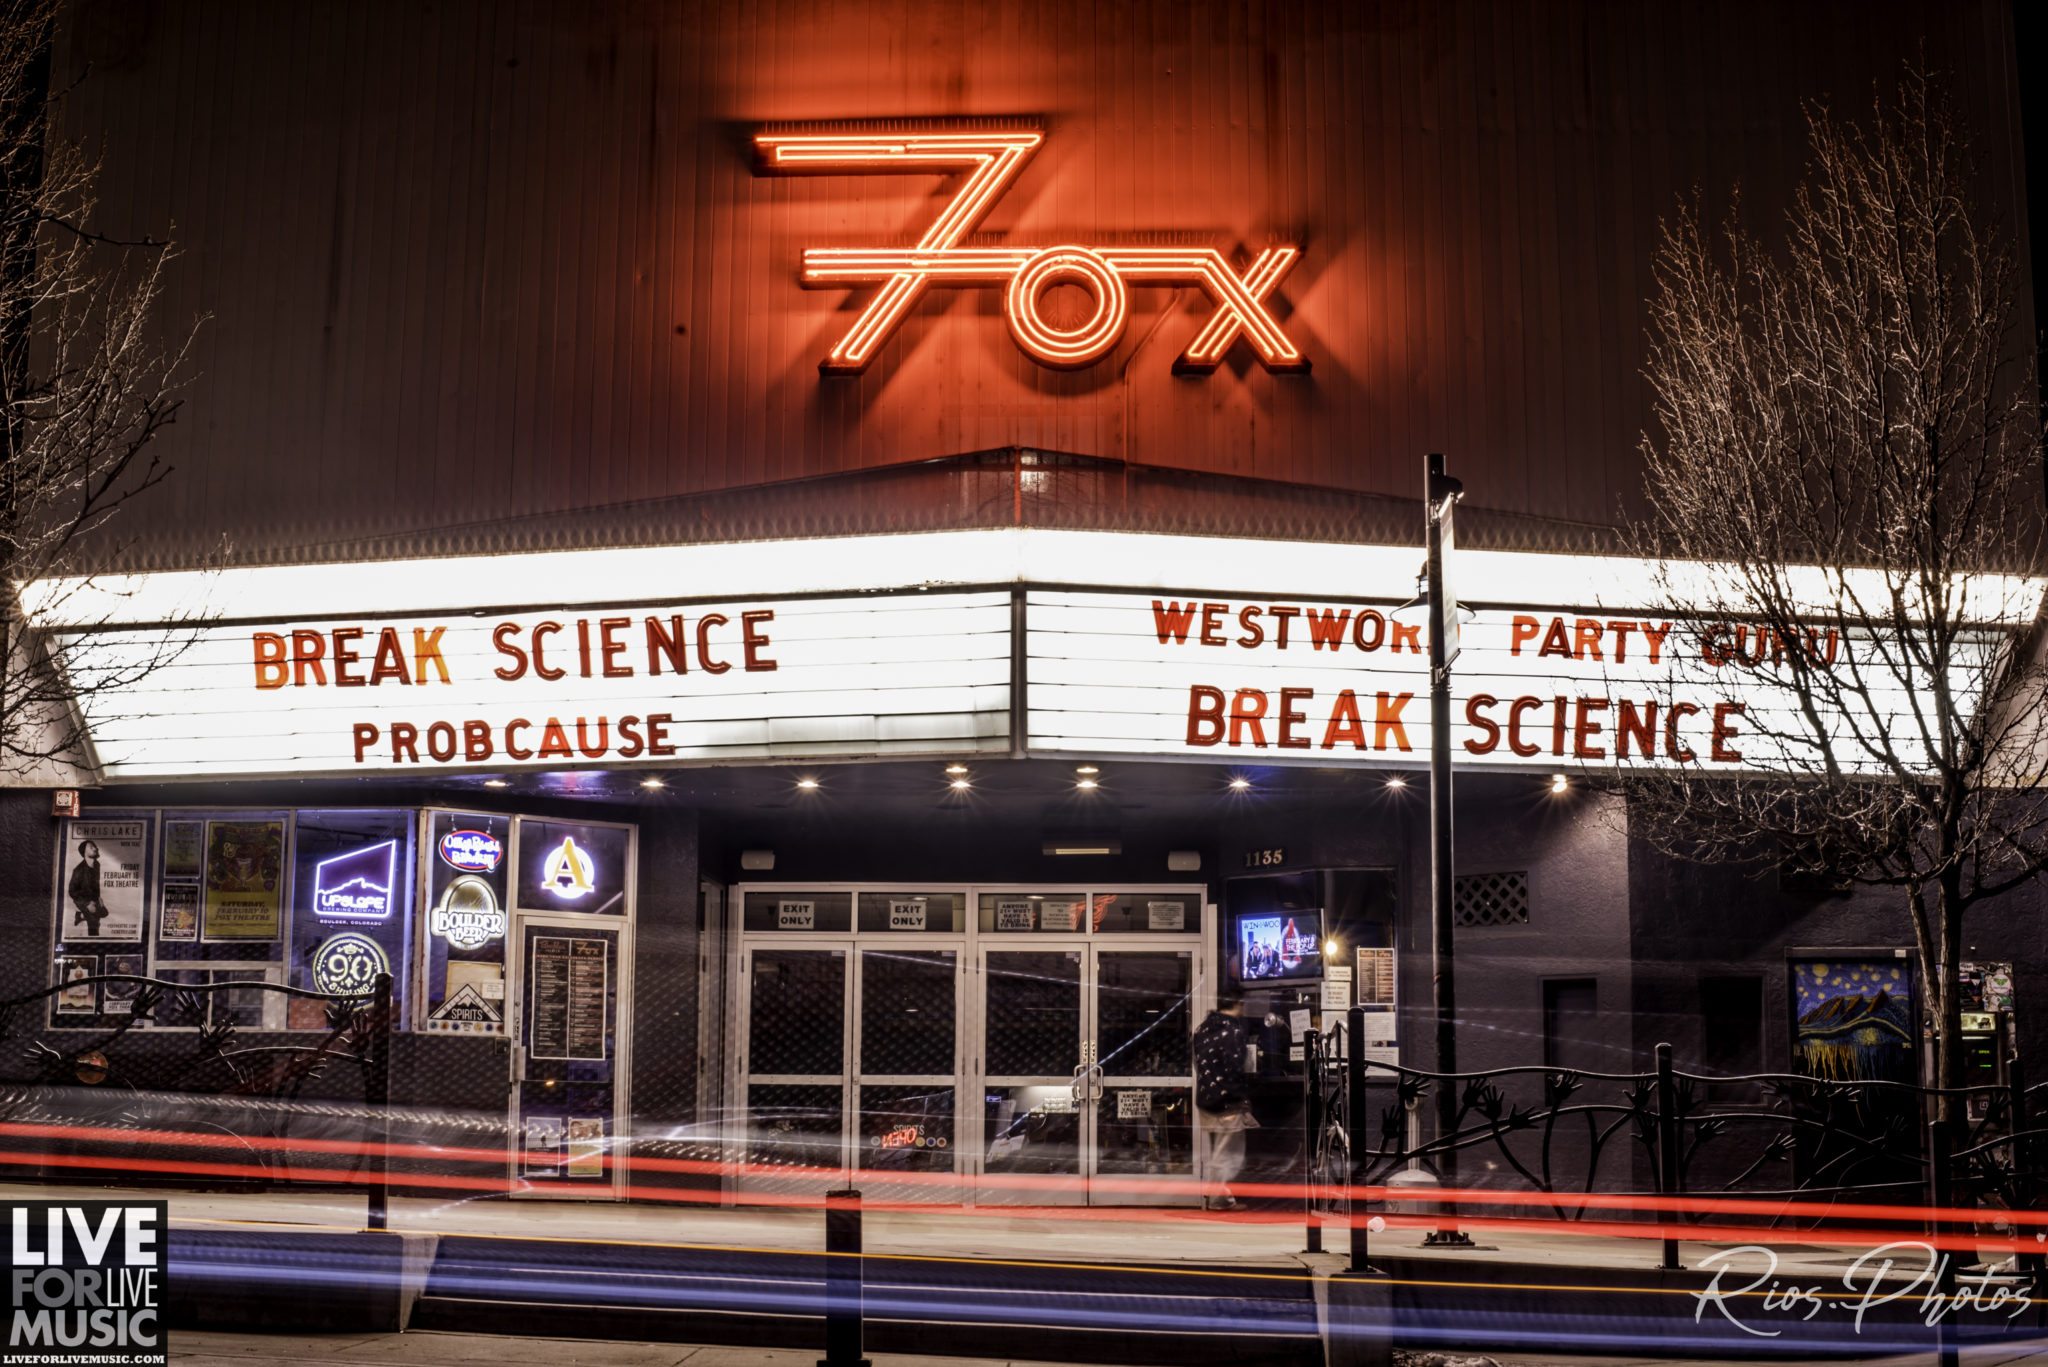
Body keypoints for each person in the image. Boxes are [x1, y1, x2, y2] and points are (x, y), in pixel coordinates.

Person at [1192, 989, 1256, 1210]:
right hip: (1228, 1099)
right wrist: (1242, 1099)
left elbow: (1198, 1064)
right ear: (1238, 1003)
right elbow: (1234, 1068)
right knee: (1227, 1153)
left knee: (1218, 1150)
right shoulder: (1233, 1030)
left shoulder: (1202, 1029)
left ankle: (1223, 1196)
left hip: (1206, 1097)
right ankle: (1218, 1197)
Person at [68, 841, 108, 937]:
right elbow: (72, 891)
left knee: (104, 913)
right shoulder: (79, 870)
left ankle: (80, 915)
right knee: (94, 922)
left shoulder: (97, 865)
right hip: (81, 898)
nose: (95, 848)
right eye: (91, 847)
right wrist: (87, 904)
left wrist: (98, 898)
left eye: (95, 846)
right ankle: (94, 944)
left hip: (93, 897)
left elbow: (95, 885)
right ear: (84, 852)